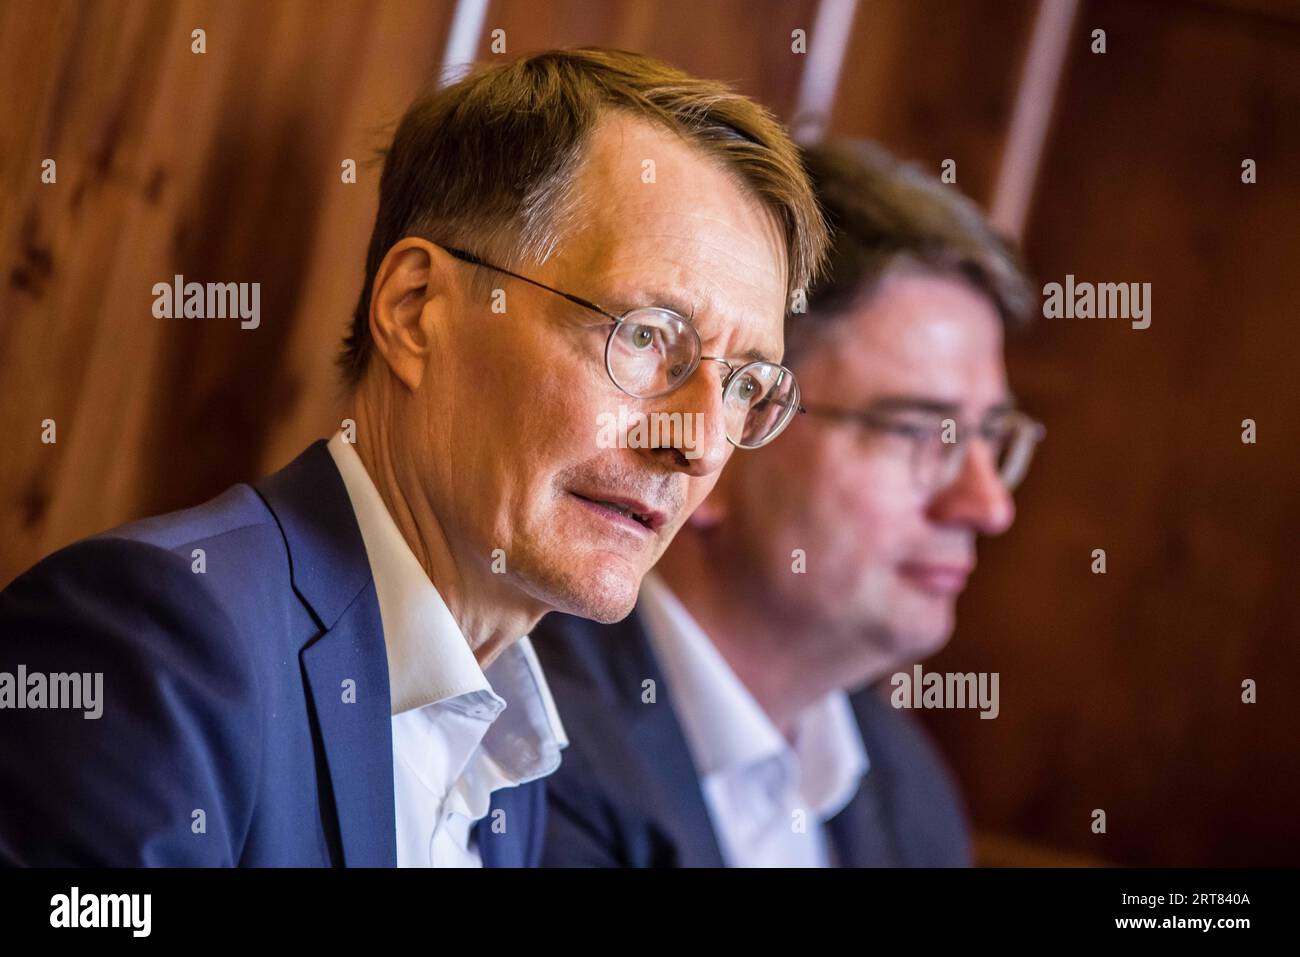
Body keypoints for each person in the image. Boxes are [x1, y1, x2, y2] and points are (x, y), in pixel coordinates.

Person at [0, 48, 827, 866]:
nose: (699, 442)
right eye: (645, 337)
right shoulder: (161, 640)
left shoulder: (516, 750)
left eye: (748, 385)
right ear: (415, 308)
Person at [537, 139, 1041, 867]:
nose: (987, 505)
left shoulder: (909, 786)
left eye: (990, 437)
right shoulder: (533, 746)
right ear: (723, 443)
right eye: (919, 432)